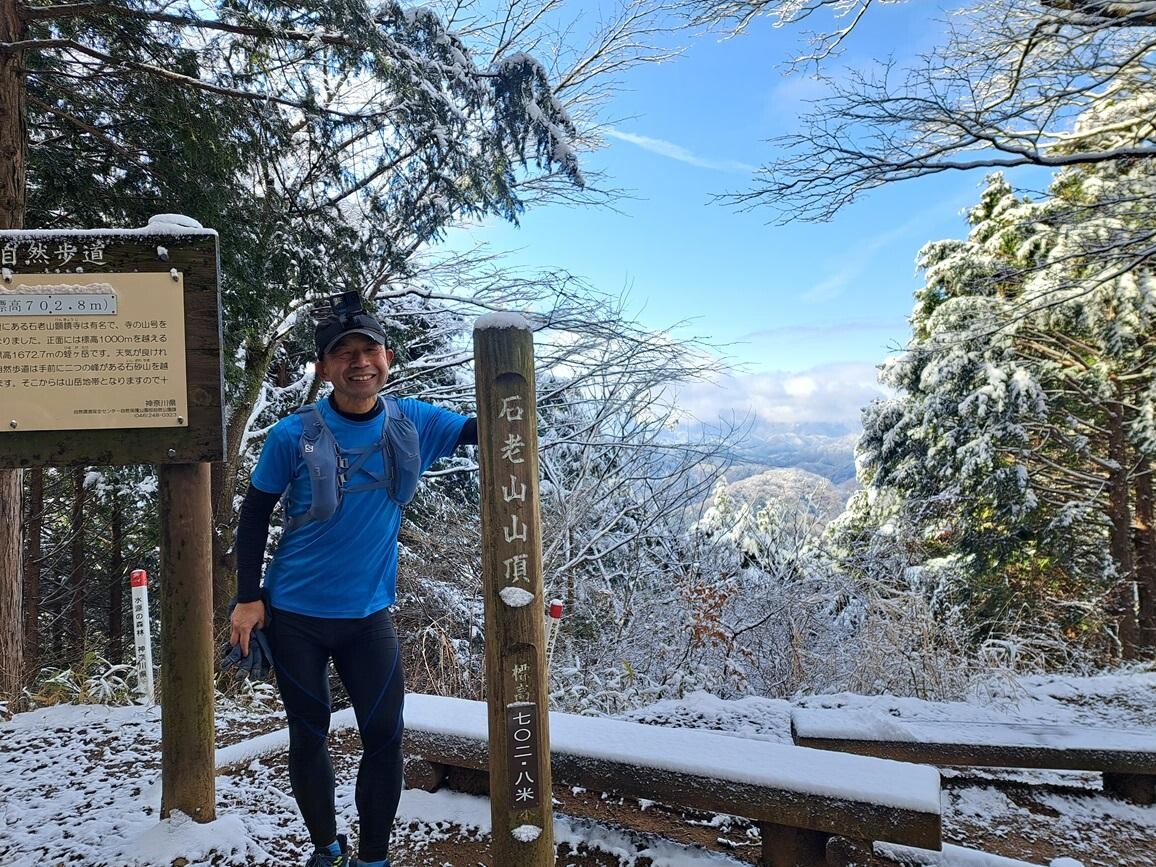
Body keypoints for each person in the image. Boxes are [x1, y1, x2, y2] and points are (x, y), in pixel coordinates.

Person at [229, 293, 477, 867]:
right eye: (343, 354)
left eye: (369, 349)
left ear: (387, 357)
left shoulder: (413, 421)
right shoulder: (293, 435)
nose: (359, 362)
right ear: (324, 367)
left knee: (385, 736)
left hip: (369, 616)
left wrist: (515, 383)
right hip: (295, 616)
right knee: (309, 734)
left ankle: (373, 857)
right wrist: (248, 598)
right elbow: (255, 513)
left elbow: (486, 425)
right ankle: (326, 848)